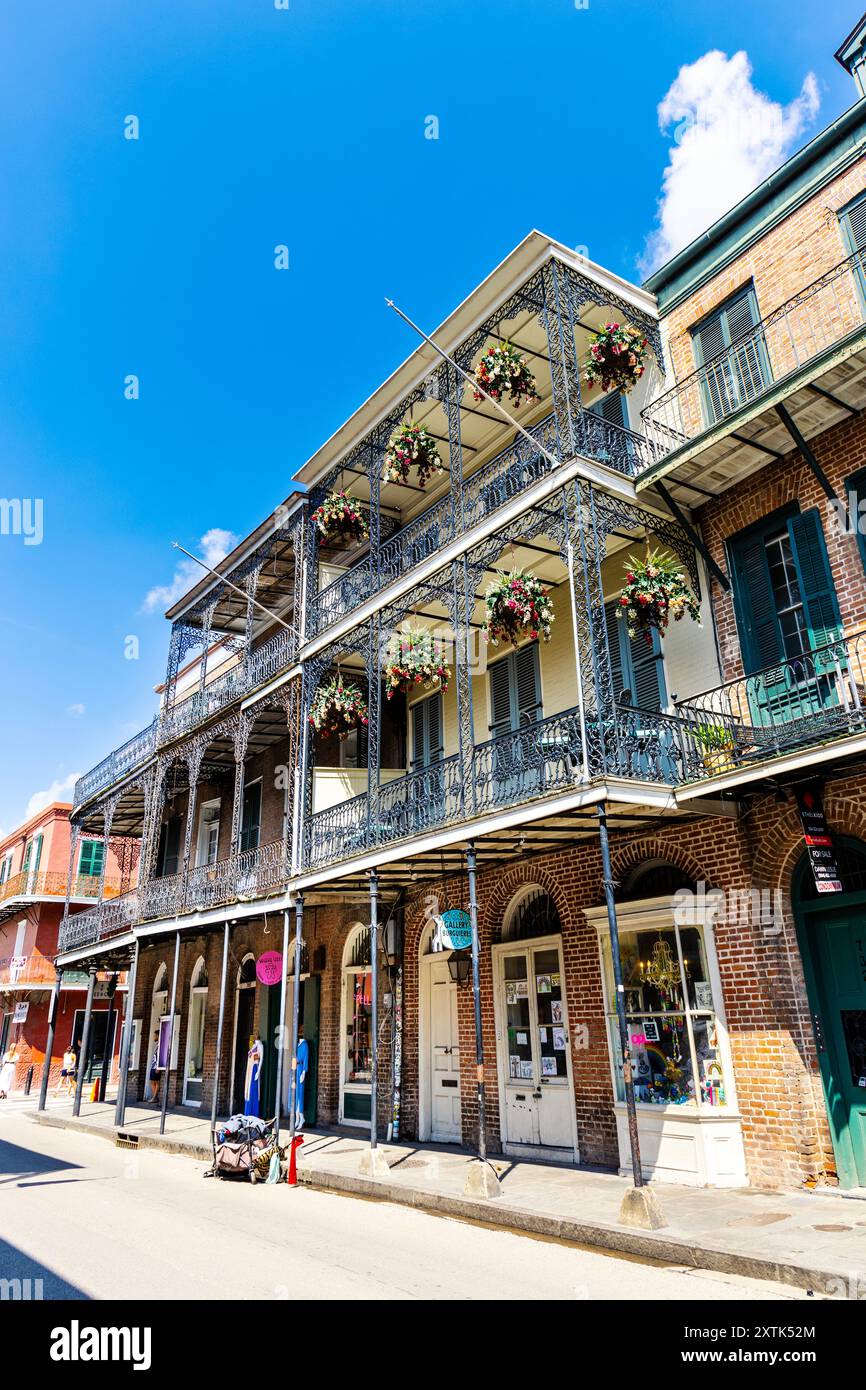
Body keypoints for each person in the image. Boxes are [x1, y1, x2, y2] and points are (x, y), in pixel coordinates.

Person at [244, 1034, 263, 1117]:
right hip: (249, 1069)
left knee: (253, 1090)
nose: (255, 1036)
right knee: (248, 1090)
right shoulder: (254, 1045)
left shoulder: (260, 1046)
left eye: (256, 1035)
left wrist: (258, 1071)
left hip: (255, 1068)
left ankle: (253, 1112)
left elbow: (261, 1059)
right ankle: (247, 1112)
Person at [294, 1025, 309, 1131]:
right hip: (295, 1069)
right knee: (295, 1095)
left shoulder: (305, 1045)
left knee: (300, 1094)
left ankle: (301, 1117)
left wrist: (304, 1072)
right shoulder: (297, 1044)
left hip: (300, 1070)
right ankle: (297, 1118)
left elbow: (306, 1059)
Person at [148, 1032, 160, 1102]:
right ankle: (154, 1097)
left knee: (156, 1082)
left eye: (155, 1035)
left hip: (156, 1066)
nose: (154, 1037)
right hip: (153, 1065)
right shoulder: (157, 1044)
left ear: (158, 1036)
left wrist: (158, 1067)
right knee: (152, 1081)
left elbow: (160, 1056)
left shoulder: (161, 1045)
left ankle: (154, 1097)